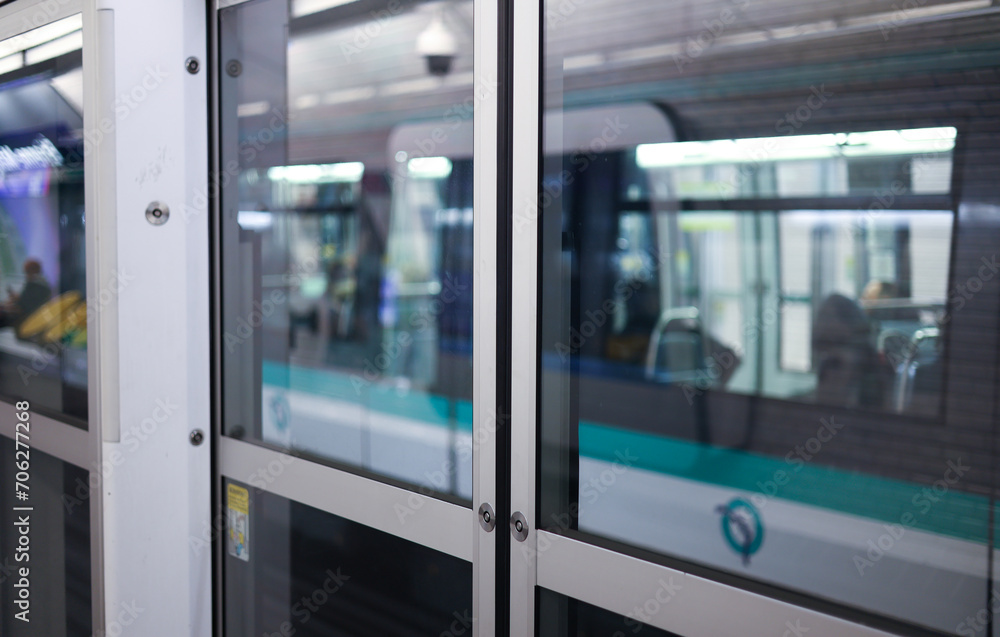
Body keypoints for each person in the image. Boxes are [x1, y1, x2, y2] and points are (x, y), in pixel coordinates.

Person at [0, 259, 53, 331]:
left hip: (23, 319)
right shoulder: (42, 285)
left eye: (27, 272)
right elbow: (23, 300)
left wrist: (7, 307)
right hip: (25, 315)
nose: (26, 275)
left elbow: (23, 306)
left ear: (32, 271)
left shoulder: (34, 285)